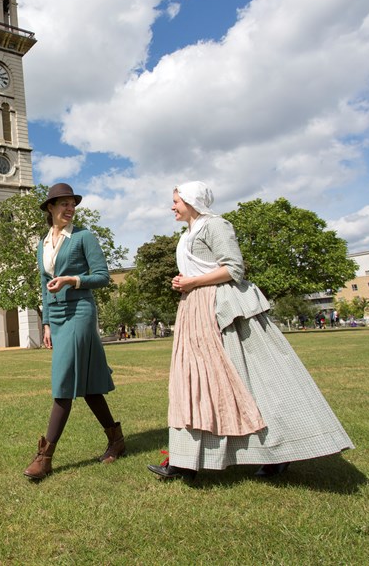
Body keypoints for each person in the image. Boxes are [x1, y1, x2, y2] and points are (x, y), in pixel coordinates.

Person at [148, 182, 353, 481]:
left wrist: (193, 282)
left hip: (221, 309)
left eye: (176, 200)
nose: (172, 206)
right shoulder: (188, 233)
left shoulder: (215, 225)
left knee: (249, 381)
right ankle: (184, 461)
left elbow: (234, 269)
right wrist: (184, 282)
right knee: (192, 383)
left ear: (192, 201)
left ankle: (277, 454)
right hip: (194, 308)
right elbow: (200, 270)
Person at [23, 183, 125, 480]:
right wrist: (45, 323)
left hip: (80, 311)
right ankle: (116, 440)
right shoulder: (43, 243)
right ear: (50, 208)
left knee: (64, 377)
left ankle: (45, 456)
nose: (69, 209)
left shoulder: (83, 237)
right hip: (56, 315)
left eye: (72, 204)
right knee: (90, 384)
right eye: (63, 204)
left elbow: (103, 277)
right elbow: (44, 285)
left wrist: (71, 280)